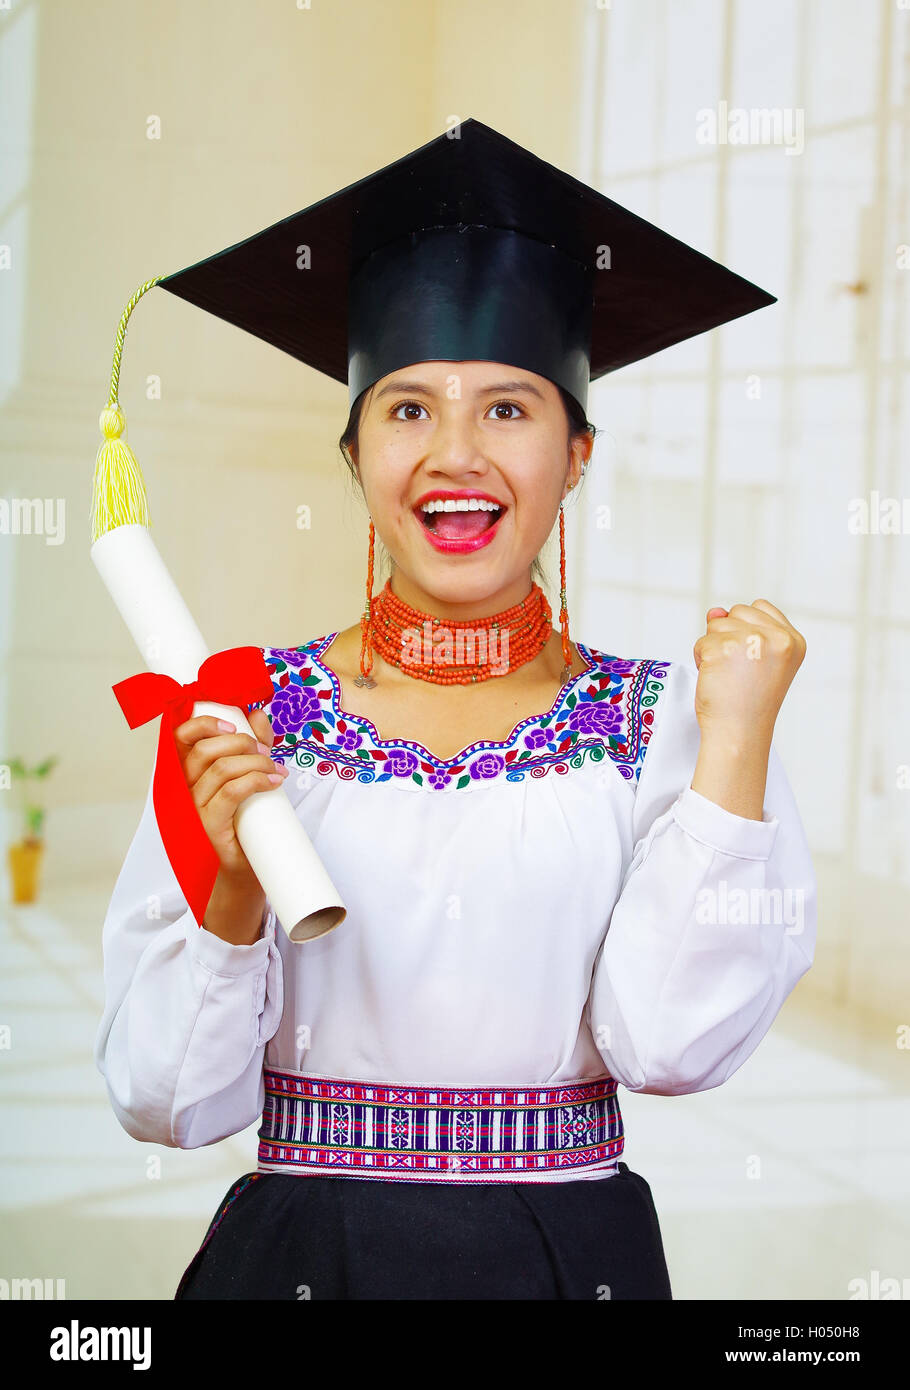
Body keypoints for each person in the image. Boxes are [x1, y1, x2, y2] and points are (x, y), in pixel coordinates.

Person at [93, 120, 816, 1300]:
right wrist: (231, 889)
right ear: (354, 451)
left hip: (568, 1265)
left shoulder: (671, 719)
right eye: (410, 408)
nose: (456, 454)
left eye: (510, 410)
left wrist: (737, 742)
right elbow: (168, 1103)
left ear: (577, 454)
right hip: (300, 1268)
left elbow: (666, 1050)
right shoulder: (241, 717)